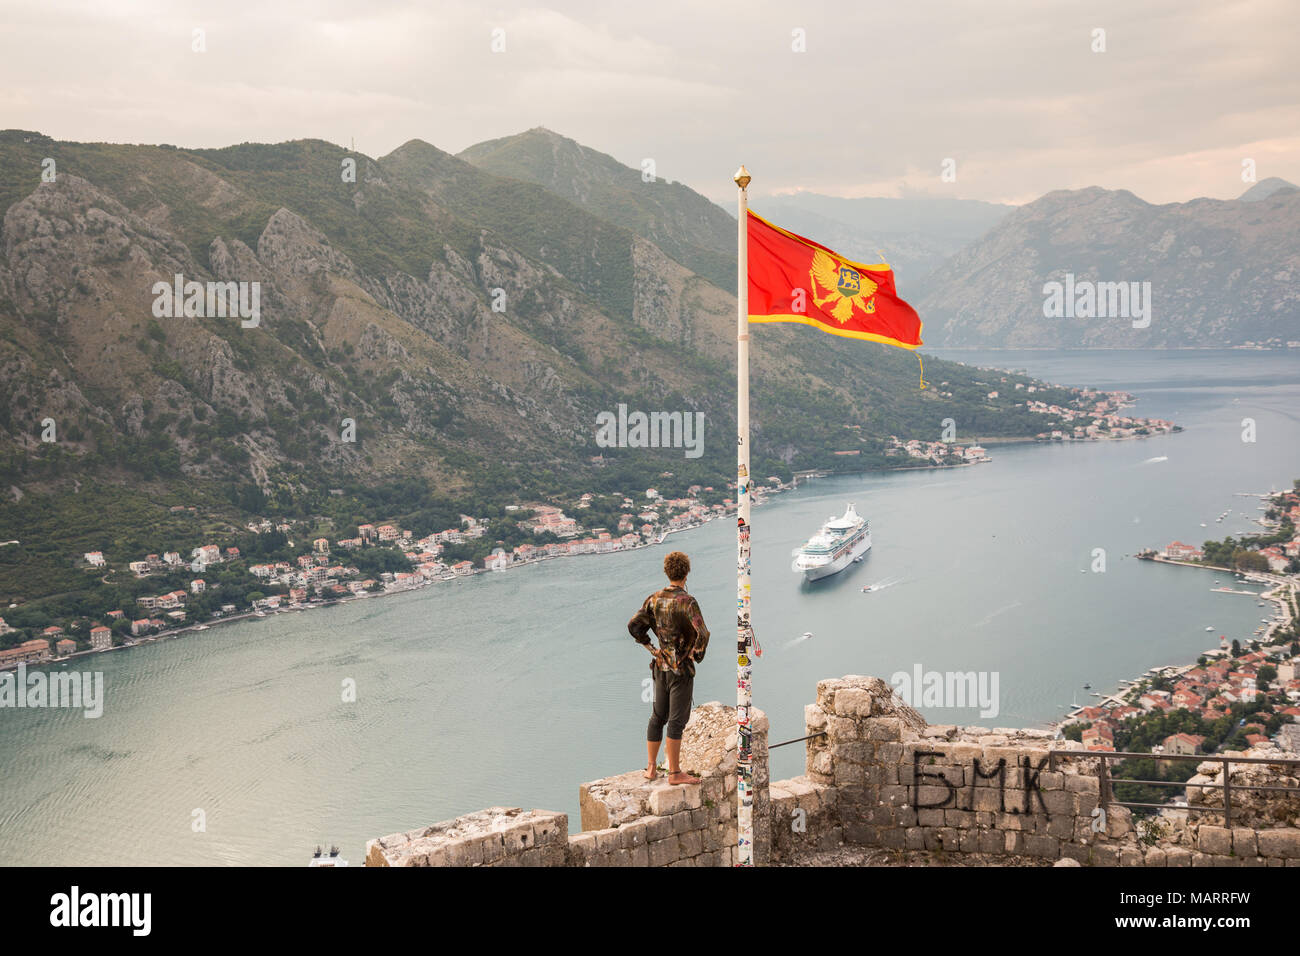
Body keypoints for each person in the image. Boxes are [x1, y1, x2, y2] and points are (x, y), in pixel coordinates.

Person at [628, 550, 710, 785]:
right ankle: (674, 773)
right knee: (676, 720)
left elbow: (634, 626)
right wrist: (696, 655)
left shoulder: (654, 599)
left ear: (667, 571)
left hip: (660, 666)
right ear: (687, 572)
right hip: (680, 669)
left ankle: (651, 768)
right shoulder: (687, 601)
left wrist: (652, 649)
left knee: (658, 716)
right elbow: (702, 633)